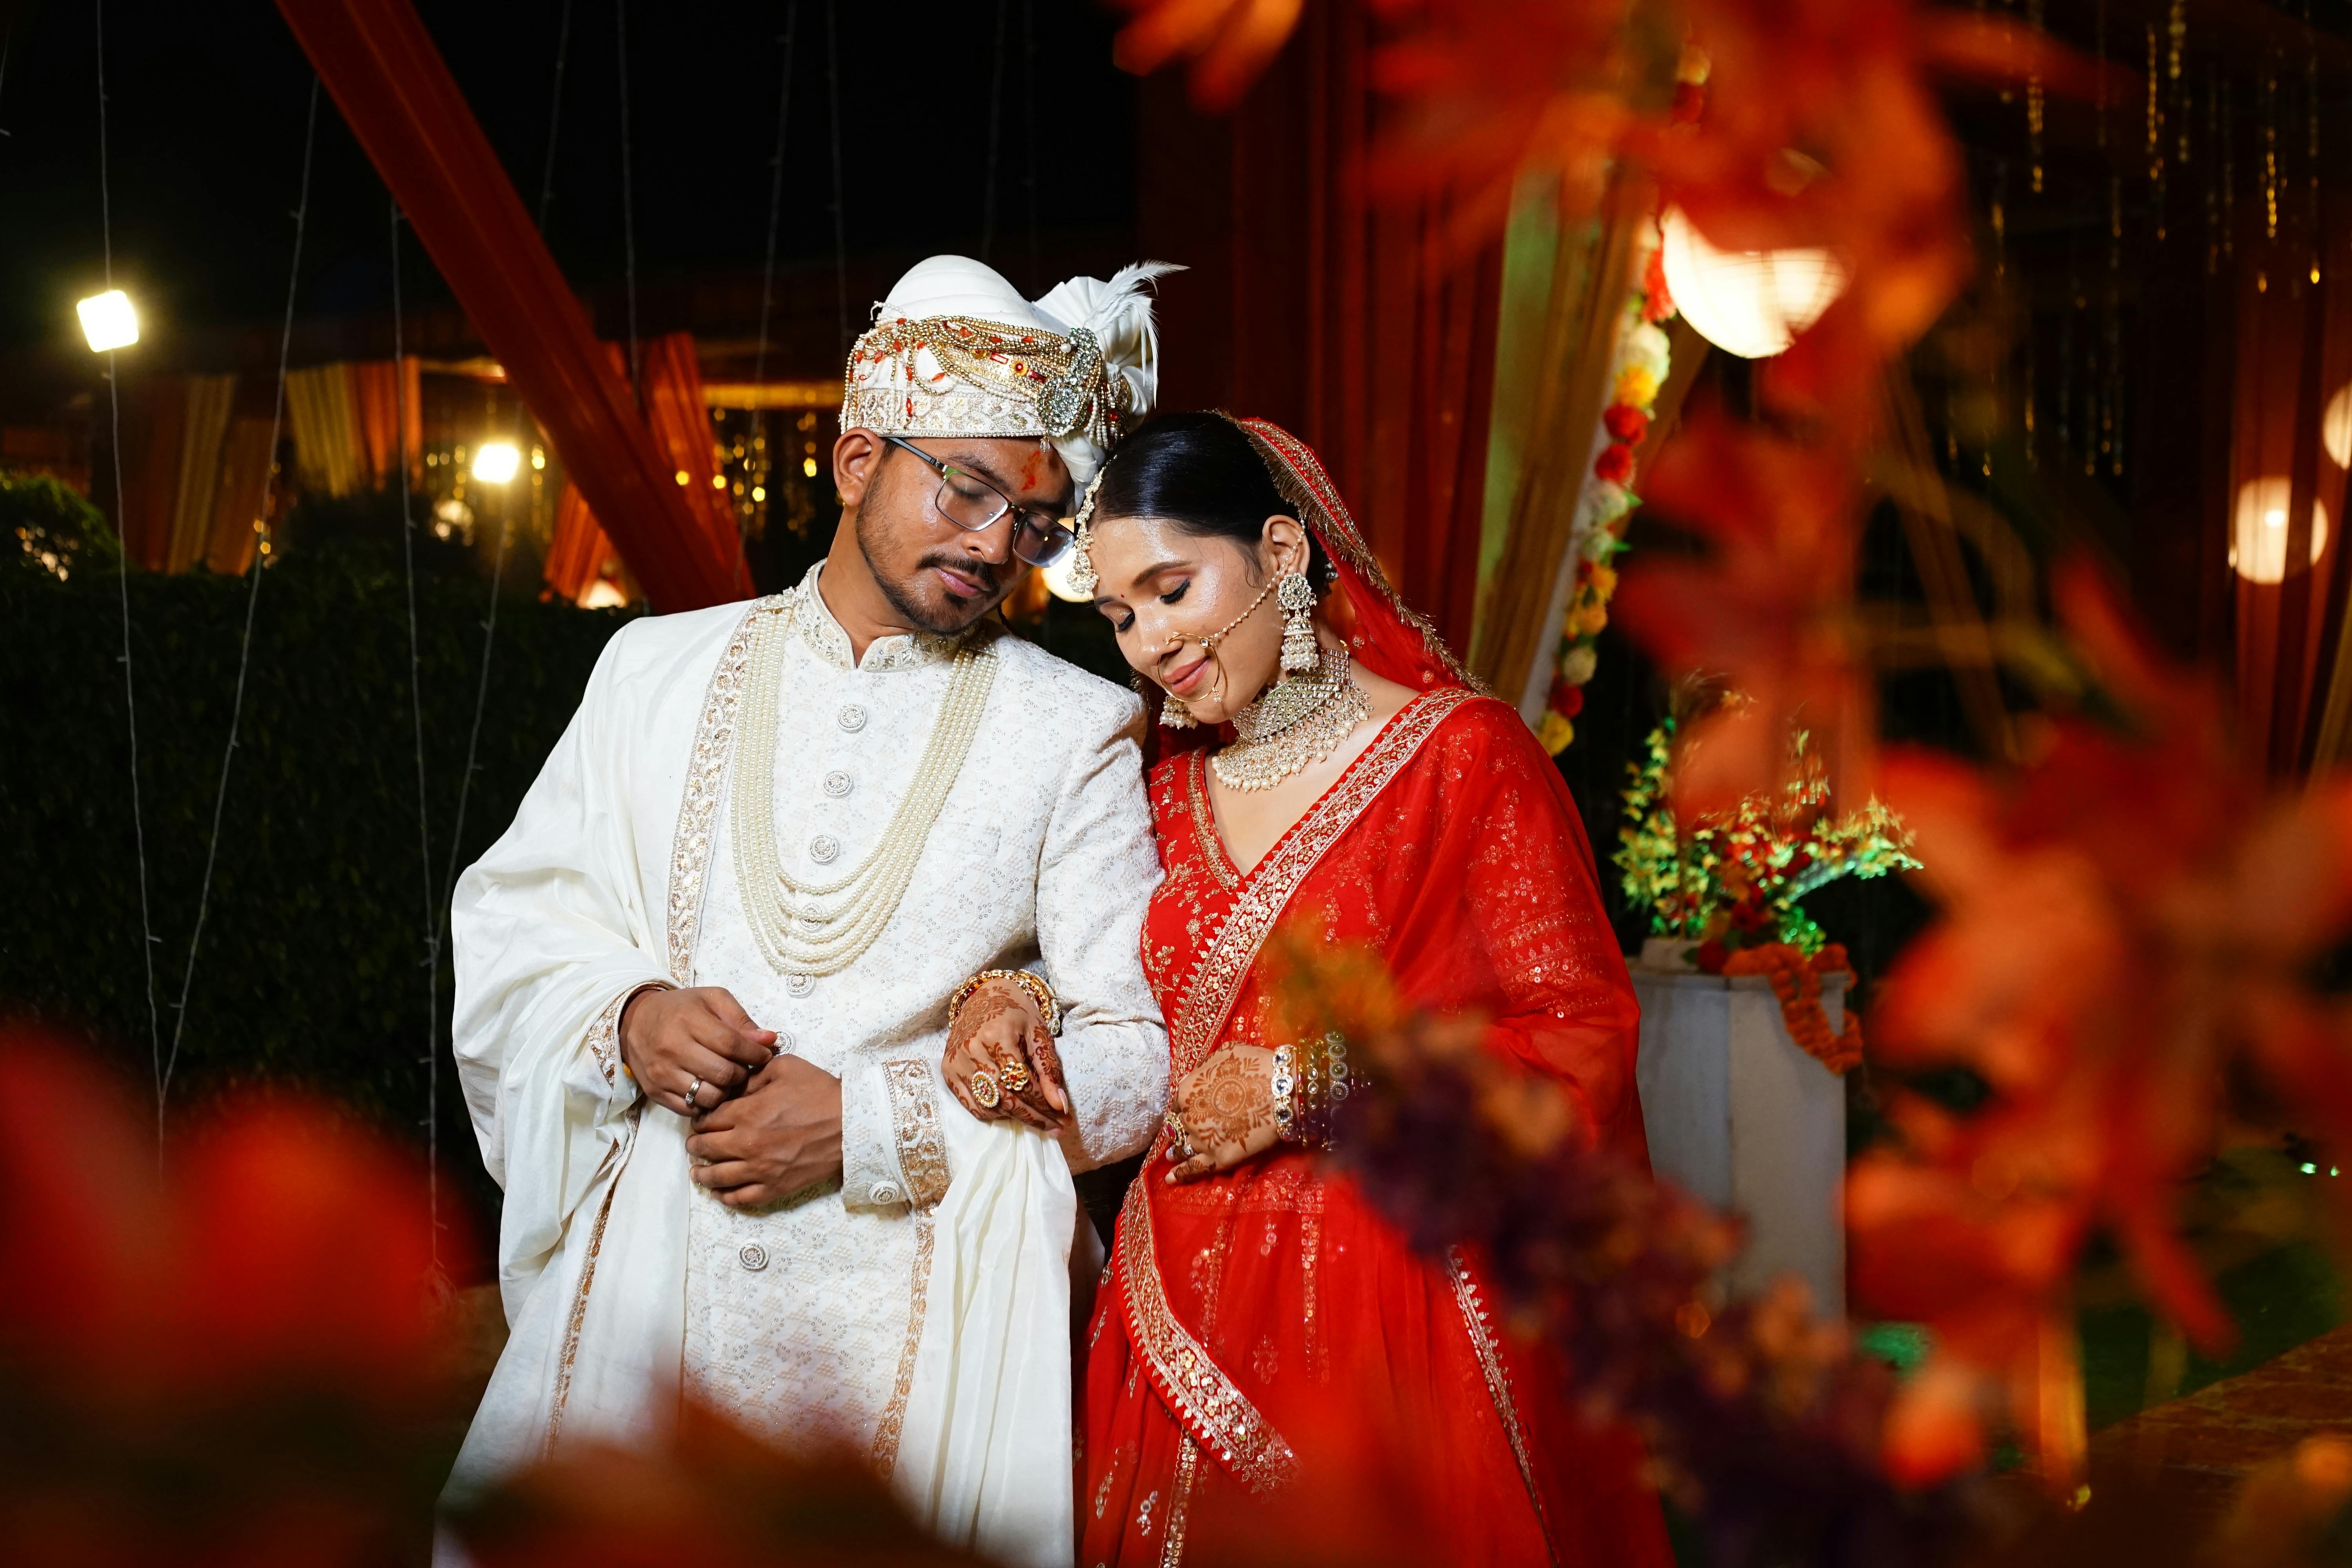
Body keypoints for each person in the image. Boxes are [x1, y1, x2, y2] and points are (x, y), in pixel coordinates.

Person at [443, 256, 1180, 1567]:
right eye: (965, 487)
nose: (993, 544)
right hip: (647, 1299)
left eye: (1035, 521)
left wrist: (868, 1126)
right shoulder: (652, 673)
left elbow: (1138, 1057)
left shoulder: (1076, 728)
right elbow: (515, 926)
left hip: (920, 1330)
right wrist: (627, 1017)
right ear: (855, 460)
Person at [999, 411, 1673, 1565]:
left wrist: (1306, 1088)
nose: (1150, 644)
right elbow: (1113, 998)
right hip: (1171, 1306)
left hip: (1394, 1318)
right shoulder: (1158, 791)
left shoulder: (1461, 759)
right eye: (1119, 617)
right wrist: (1009, 999)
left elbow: (1578, 1043)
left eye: (1172, 590)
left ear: (1281, 552)